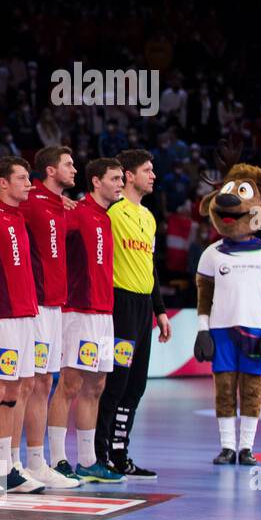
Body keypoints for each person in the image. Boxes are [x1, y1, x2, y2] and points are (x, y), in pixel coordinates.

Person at [47, 157, 126, 483]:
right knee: (70, 383)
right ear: (96, 182)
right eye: (116, 178)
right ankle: (56, 459)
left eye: (122, 178)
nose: (121, 183)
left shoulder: (105, 218)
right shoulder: (76, 213)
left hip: (103, 313)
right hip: (78, 312)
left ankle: (88, 461)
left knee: (97, 385)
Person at [96, 149, 171, 479]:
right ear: (129, 175)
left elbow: (150, 266)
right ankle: (101, 455)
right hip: (120, 304)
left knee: (136, 385)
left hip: (143, 309)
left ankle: (121, 453)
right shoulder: (113, 214)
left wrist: (161, 311)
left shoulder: (149, 217)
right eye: (147, 170)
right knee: (116, 382)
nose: (153, 175)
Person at [0, 156, 45, 493]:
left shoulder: (18, 215)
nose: (29, 184)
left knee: (20, 387)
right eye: (22, 178)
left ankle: (7, 466)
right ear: (3, 183)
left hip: (24, 314)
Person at [15, 145, 82, 489]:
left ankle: (37, 461)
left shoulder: (62, 205)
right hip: (36, 304)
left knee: (45, 382)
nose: (74, 169)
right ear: (51, 171)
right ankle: (17, 462)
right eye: (68, 165)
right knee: (28, 382)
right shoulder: (30, 199)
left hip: (56, 306)